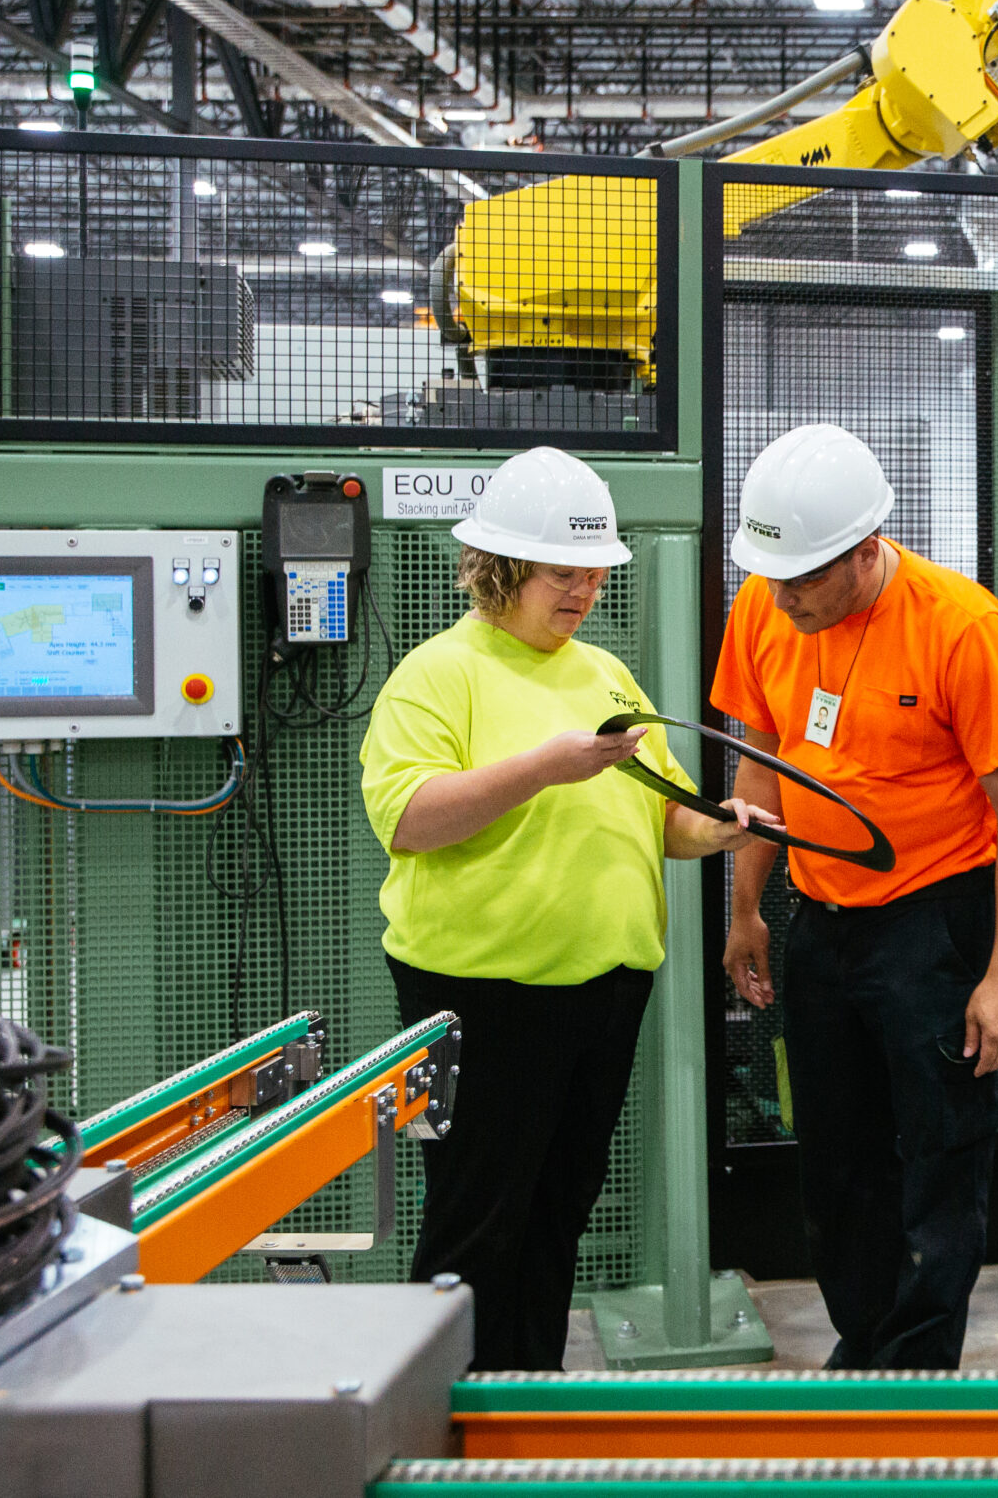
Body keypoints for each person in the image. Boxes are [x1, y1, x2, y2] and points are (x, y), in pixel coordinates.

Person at [361, 445, 777, 1372]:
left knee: (558, 1210)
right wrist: (545, 766)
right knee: (477, 1218)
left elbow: (662, 812)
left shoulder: (605, 674)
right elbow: (410, 819)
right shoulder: (438, 675)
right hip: (479, 995)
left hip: (603, 989)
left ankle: (529, 1395)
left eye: (595, 574)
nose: (584, 590)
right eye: (564, 574)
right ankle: (451, 1416)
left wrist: (721, 830)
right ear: (501, 569)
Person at [714, 423, 998, 1371]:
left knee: (940, 1158)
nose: (785, 600)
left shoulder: (962, 626)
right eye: (773, 578)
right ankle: (864, 1345)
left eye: (806, 581)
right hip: (822, 919)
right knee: (837, 1160)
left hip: (935, 927)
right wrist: (749, 907)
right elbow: (763, 755)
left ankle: (916, 1375)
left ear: (867, 550)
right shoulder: (766, 601)